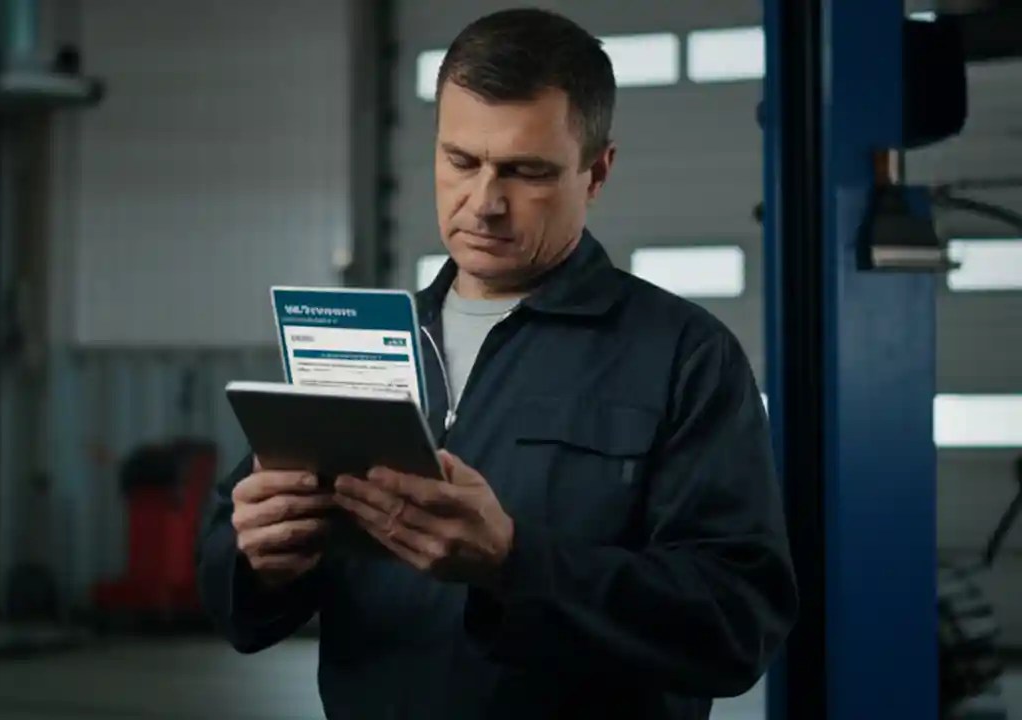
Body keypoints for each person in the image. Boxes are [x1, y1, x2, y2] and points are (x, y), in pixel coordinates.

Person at [196, 8, 798, 719]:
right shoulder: (362, 347)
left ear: (597, 172)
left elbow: (735, 623)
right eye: (461, 161)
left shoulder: (682, 357)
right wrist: (255, 557)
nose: (484, 203)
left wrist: (515, 562)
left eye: (526, 171)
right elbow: (231, 584)